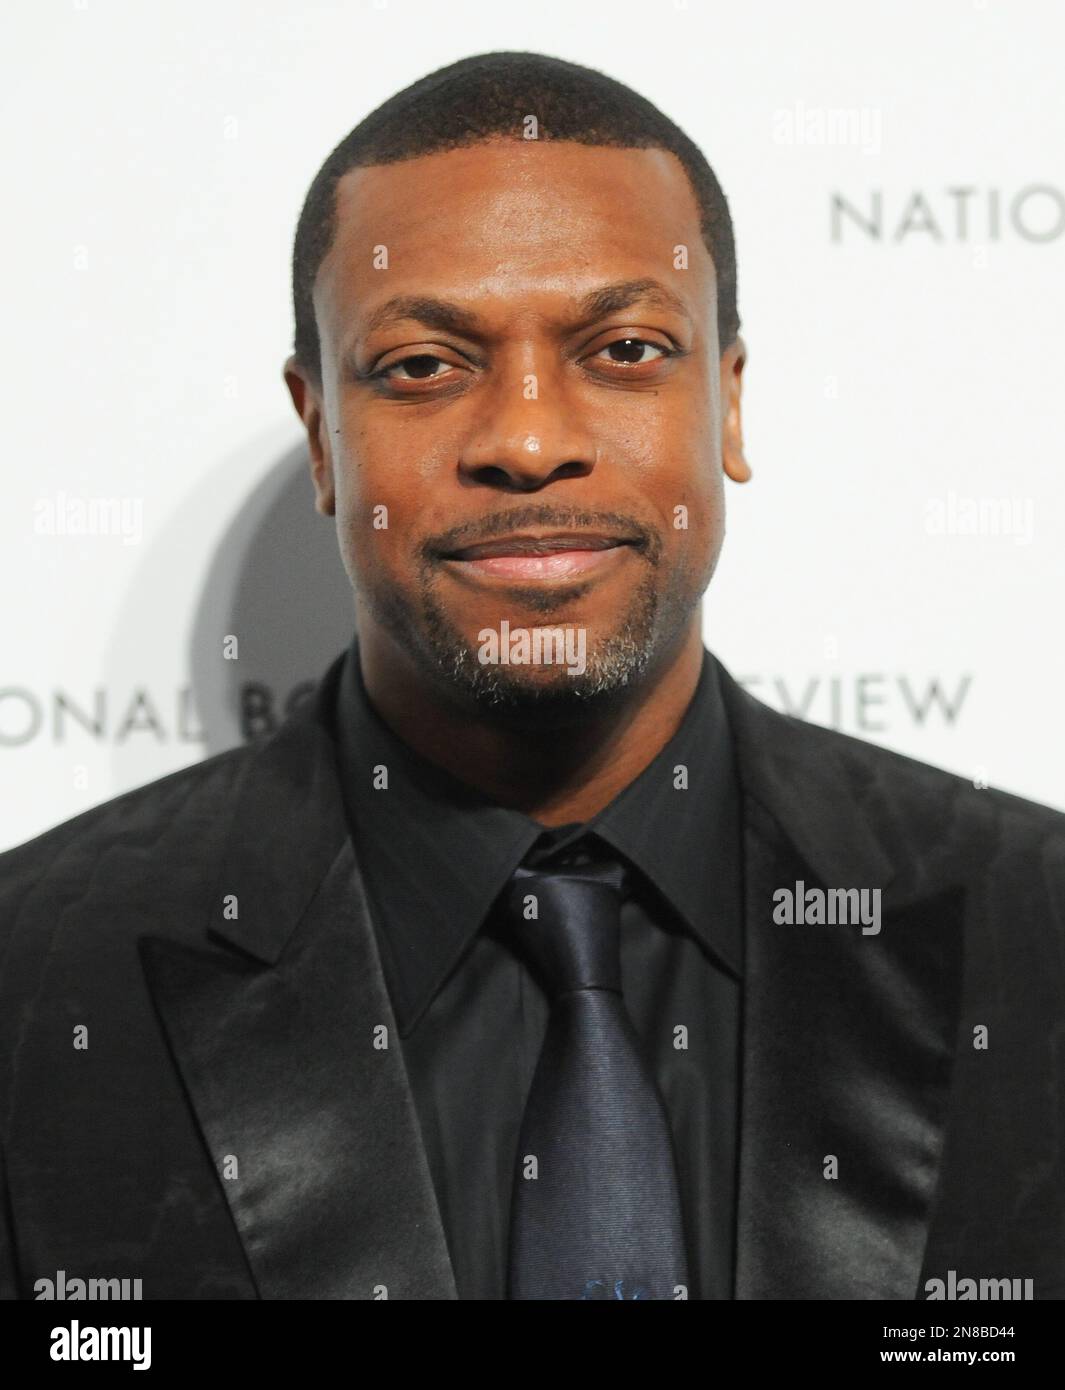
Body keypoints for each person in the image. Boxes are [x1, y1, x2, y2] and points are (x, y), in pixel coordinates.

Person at [2, 50, 1063, 1302]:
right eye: (422, 366)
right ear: (320, 437)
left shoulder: (1036, 934)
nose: (527, 439)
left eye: (623, 348)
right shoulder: (35, 982)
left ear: (726, 403)